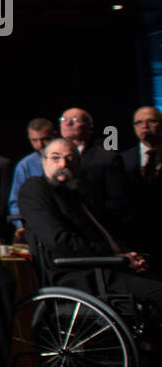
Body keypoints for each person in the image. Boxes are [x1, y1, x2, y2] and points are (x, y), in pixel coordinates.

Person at [18, 138, 162, 305]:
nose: (64, 163)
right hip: (81, 272)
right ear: (44, 162)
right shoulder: (36, 188)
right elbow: (60, 241)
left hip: (111, 265)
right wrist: (114, 256)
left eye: (71, 158)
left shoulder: (79, 192)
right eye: (56, 158)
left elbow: (108, 231)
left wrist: (129, 255)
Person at [58, 107, 126, 229]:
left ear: (89, 128)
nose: (67, 123)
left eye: (74, 120)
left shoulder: (107, 159)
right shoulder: (52, 159)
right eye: (64, 119)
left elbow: (117, 202)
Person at [8, 118, 57, 243]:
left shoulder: (64, 161)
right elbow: (15, 202)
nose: (40, 145)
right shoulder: (25, 165)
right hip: (35, 228)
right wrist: (21, 226)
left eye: (45, 139)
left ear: (55, 135)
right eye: (35, 140)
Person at [122, 106, 162, 253]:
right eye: (138, 122)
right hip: (135, 237)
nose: (144, 126)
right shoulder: (122, 160)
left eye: (151, 121)